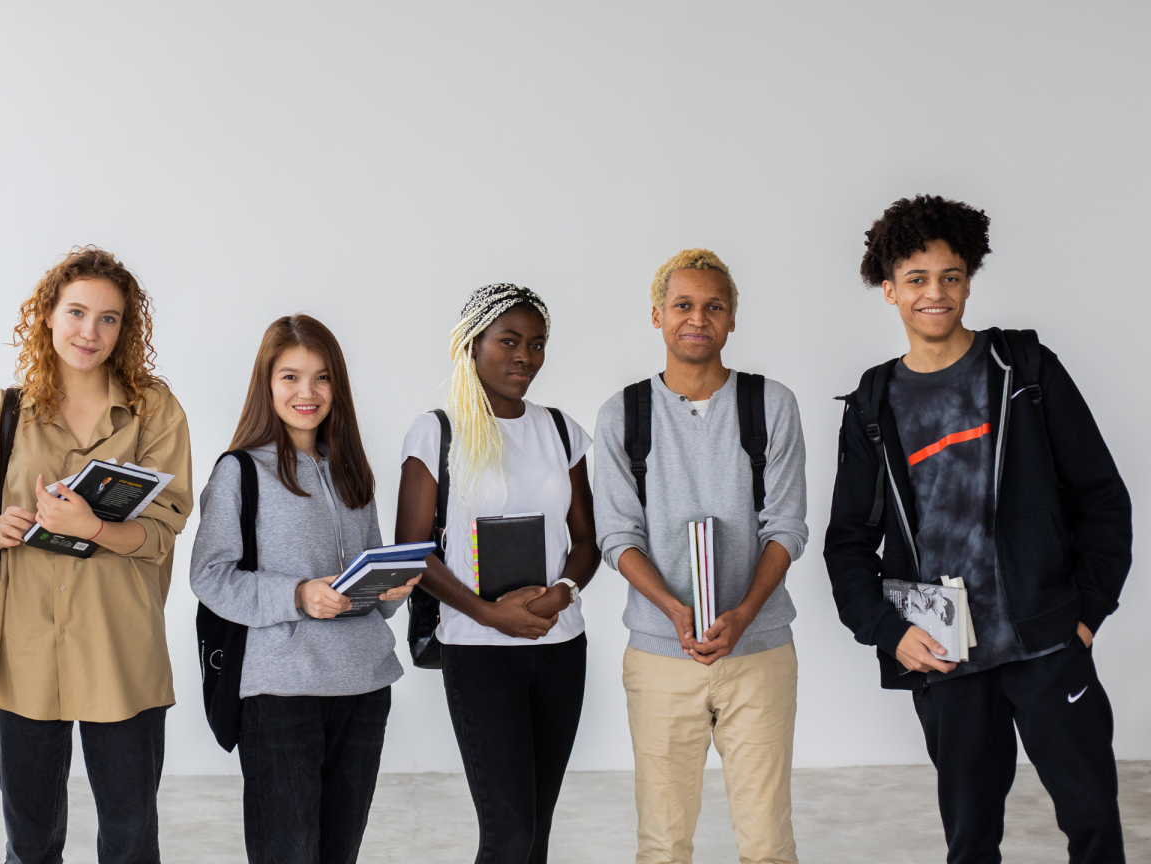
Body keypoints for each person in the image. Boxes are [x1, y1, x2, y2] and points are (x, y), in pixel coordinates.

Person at [824, 196, 1132, 864]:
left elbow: (1103, 499)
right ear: (889, 290)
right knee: (969, 842)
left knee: (1092, 821)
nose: (935, 293)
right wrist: (888, 632)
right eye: (916, 279)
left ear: (968, 282)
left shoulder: (1024, 369)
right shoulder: (874, 404)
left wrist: (1085, 615)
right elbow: (847, 542)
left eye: (951, 276)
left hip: (1045, 643)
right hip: (947, 656)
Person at [0, 247, 192, 864]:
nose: (90, 332)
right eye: (77, 312)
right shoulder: (2, 412)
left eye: (109, 319)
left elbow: (164, 531)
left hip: (119, 645)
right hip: (20, 649)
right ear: (48, 315)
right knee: (29, 844)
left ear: (124, 329)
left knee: (131, 842)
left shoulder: (154, 410)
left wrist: (92, 527)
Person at [592, 249, 808, 864]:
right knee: (663, 843)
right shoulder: (623, 415)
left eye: (714, 306)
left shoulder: (770, 404)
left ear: (732, 318)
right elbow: (618, 537)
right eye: (682, 305)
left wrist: (743, 614)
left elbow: (786, 527)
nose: (697, 318)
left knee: (768, 843)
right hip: (660, 654)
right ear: (657, 315)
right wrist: (673, 610)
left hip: (759, 650)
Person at [190, 314, 420, 864]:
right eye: (290, 377)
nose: (307, 393)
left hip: (364, 687)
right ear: (266, 384)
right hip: (280, 694)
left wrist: (390, 591)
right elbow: (210, 576)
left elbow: (365, 578)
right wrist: (296, 594)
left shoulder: (352, 470)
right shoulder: (239, 471)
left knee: (340, 853)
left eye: (321, 377)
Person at [395, 284, 600, 864]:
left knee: (535, 831)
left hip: (560, 646)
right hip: (479, 651)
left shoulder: (561, 430)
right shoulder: (437, 431)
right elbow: (411, 551)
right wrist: (489, 614)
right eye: (509, 341)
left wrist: (562, 593)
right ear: (471, 344)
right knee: (508, 836)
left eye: (536, 344)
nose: (525, 357)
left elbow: (587, 540)